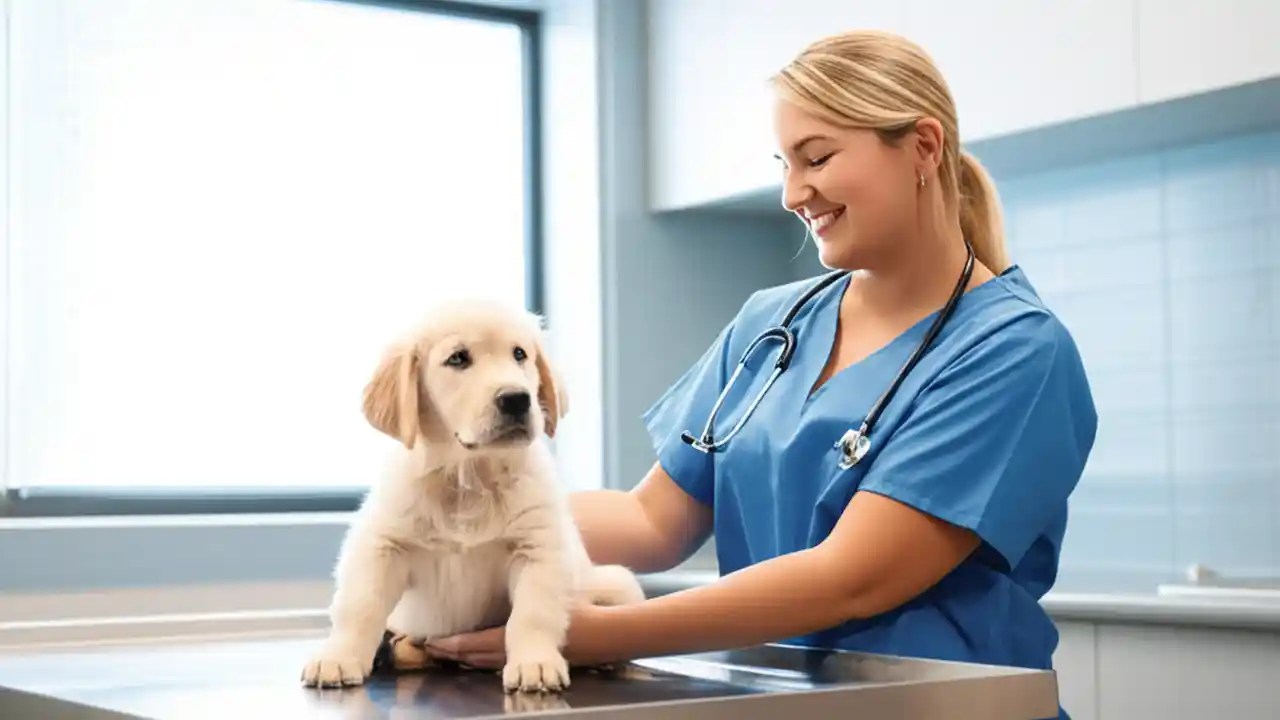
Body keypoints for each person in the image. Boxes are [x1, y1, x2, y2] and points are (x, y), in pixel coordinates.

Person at [425, 28, 1097, 716]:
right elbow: (652, 521)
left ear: (923, 148)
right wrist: (450, 514)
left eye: (817, 158)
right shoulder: (772, 326)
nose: (791, 193)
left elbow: (852, 580)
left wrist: (598, 634)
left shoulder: (1014, 350)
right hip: (786, 702)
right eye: (784, 162)